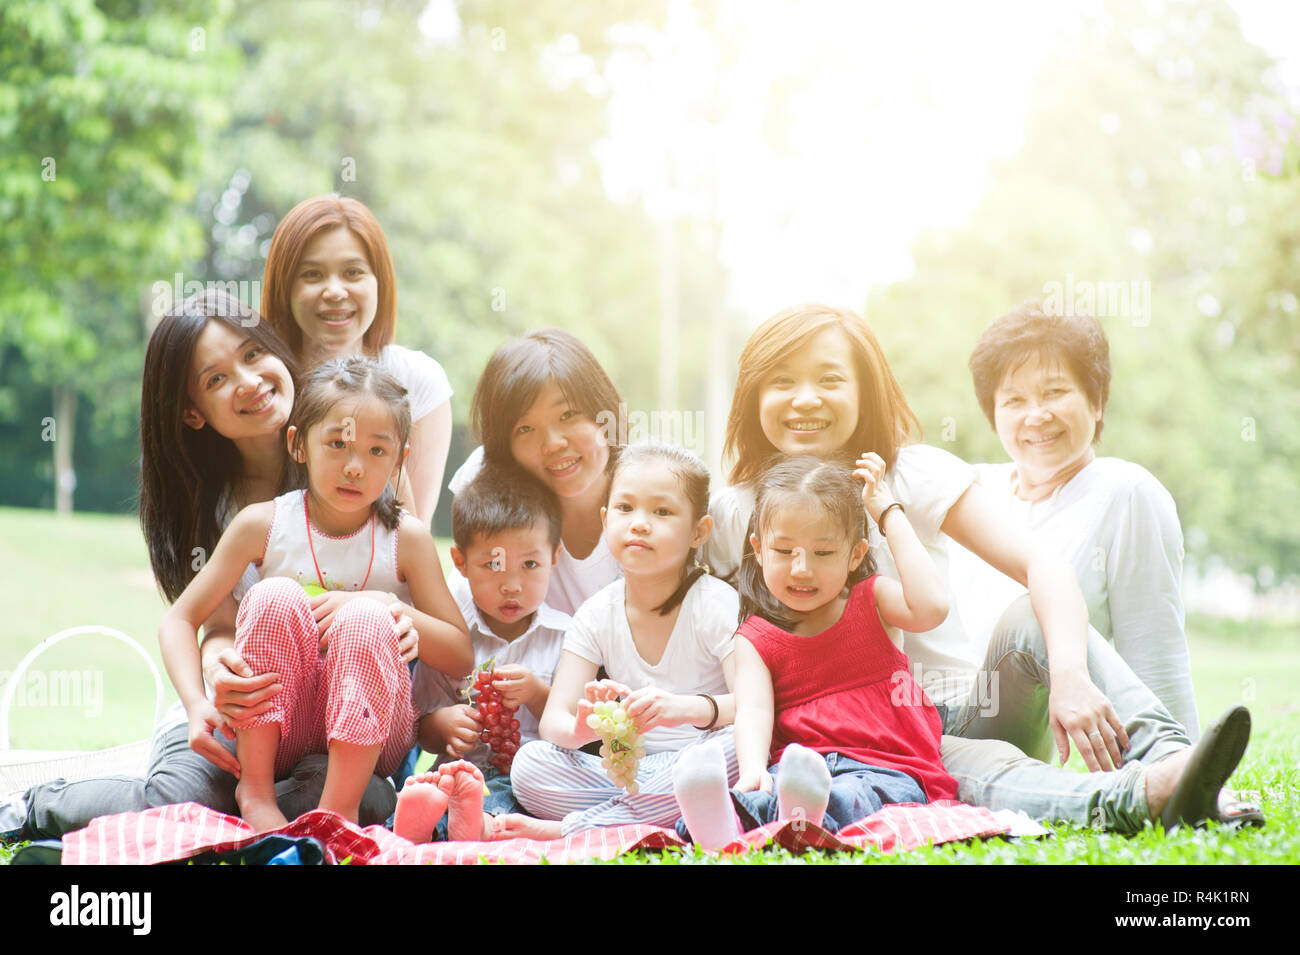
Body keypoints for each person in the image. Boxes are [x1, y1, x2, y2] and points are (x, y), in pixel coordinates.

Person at [703, 303, 1252, 832]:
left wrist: (1069, 674)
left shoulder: (910, 475)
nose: (805, 399)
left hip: (966, 711)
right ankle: (1152, 793)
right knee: (984, 773)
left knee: (1028, 616)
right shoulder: (732, 514)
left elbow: (1042, 565)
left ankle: (1181, 765)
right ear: (753, 395)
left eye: (829, 379)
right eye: (782, 381)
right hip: (850, 746)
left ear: (863, 392)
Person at [5, 292, 402, 839]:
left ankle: (241, 820)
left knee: (369, 796)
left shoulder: (356, 453)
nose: (249, 381)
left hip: (326, 724)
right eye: (216, 379)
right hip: (241, 713)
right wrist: (204, 692)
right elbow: (207, 622)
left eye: (252, 354)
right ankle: (31, 807)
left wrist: (388, 607)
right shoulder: (210, 506)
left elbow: (402, 588)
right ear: (193, 411)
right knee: (179, 796)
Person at [158, 356, 473, 831]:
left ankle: (339, 809)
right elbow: (180, 619)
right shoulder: (262, 525)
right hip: (282, 724)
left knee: (366, 619)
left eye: (376, 451)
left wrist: (387, 607)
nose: (354, 467)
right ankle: (256, 792)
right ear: (298, 444)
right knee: (273, 597)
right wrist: (196, 703)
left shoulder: (405, 540)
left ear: (399, 460)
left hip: (375, 734)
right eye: (337, 443)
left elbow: (460, 653)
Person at [673, 455, 956, 848]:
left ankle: (799, 818)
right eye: (783, 550)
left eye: (822, 553)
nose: (801, 568)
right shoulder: (755, 637)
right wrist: (753, 770)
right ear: (758, 549)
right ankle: (723, 824)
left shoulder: (873, 600)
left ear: (855, 554)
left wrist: (888, 512)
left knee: (853, 797)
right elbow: (753, 710)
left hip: (884, 769)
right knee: (760, 797)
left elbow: (932, 607)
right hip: (796, 768)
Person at [958, 301, 1199, 737]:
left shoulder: (1125, 494)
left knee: (1030, 614)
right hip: (923, 717)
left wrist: (1179, 758)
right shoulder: (970, 489)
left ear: (1097, 400)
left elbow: (1154, 654)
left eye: (1054, 392)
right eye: (1014, 400)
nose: (1036, 415)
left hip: (1000, 733)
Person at [508, 442, 740, 835]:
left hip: (698, 757)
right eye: (625, 508)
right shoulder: (596, 614)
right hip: (627, 772)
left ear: (699, 532)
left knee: (731, 749)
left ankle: (577, 828)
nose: (639, 524)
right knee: (529, 764)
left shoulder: (716, 604)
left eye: (662, 512)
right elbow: (554, 720)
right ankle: (659, 813)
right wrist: (580, 730)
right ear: (605, 520)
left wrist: (685, 708)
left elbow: (754, 705)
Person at [394, 465, 571, 843]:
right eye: (493, 565)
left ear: (555, 557)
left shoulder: (566, 637)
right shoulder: (452, 639)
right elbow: (420, 727)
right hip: (460, 774)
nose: (512, 585)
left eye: (530, 564)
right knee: (440, 787)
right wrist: (443, 724)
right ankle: (435, 823)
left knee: (516, 795)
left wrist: (537, 694)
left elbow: (577, 730)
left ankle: (465, 825)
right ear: (460, 562)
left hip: (534, 779)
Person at [261, 194, 453, 523]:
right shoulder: (263, 384)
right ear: (285, 288)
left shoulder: (419, 378)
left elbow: (412, 529)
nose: (335, 292)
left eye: (353, 272)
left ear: (380, 282)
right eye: (312, 275)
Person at [449, 328, 625, 616]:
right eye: (525, 428)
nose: (553, 443)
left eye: (568, 415)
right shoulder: (487, 481)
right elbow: (462, 611)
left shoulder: (656, 486)